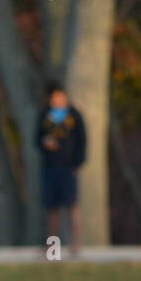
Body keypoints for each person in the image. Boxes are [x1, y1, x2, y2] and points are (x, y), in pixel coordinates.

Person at [38, 81, 86, 256]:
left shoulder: (74, 116)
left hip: (68, 168)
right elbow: (37, 139)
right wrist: (45, 143)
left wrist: (77, 164)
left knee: (73, 206)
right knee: (52, 209)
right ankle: (53, 249)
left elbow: (82, 141)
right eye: (52, 97)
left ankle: (75, 246)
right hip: (50, 168)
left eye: (57, 96)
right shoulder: (45, 115)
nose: (54, 100)